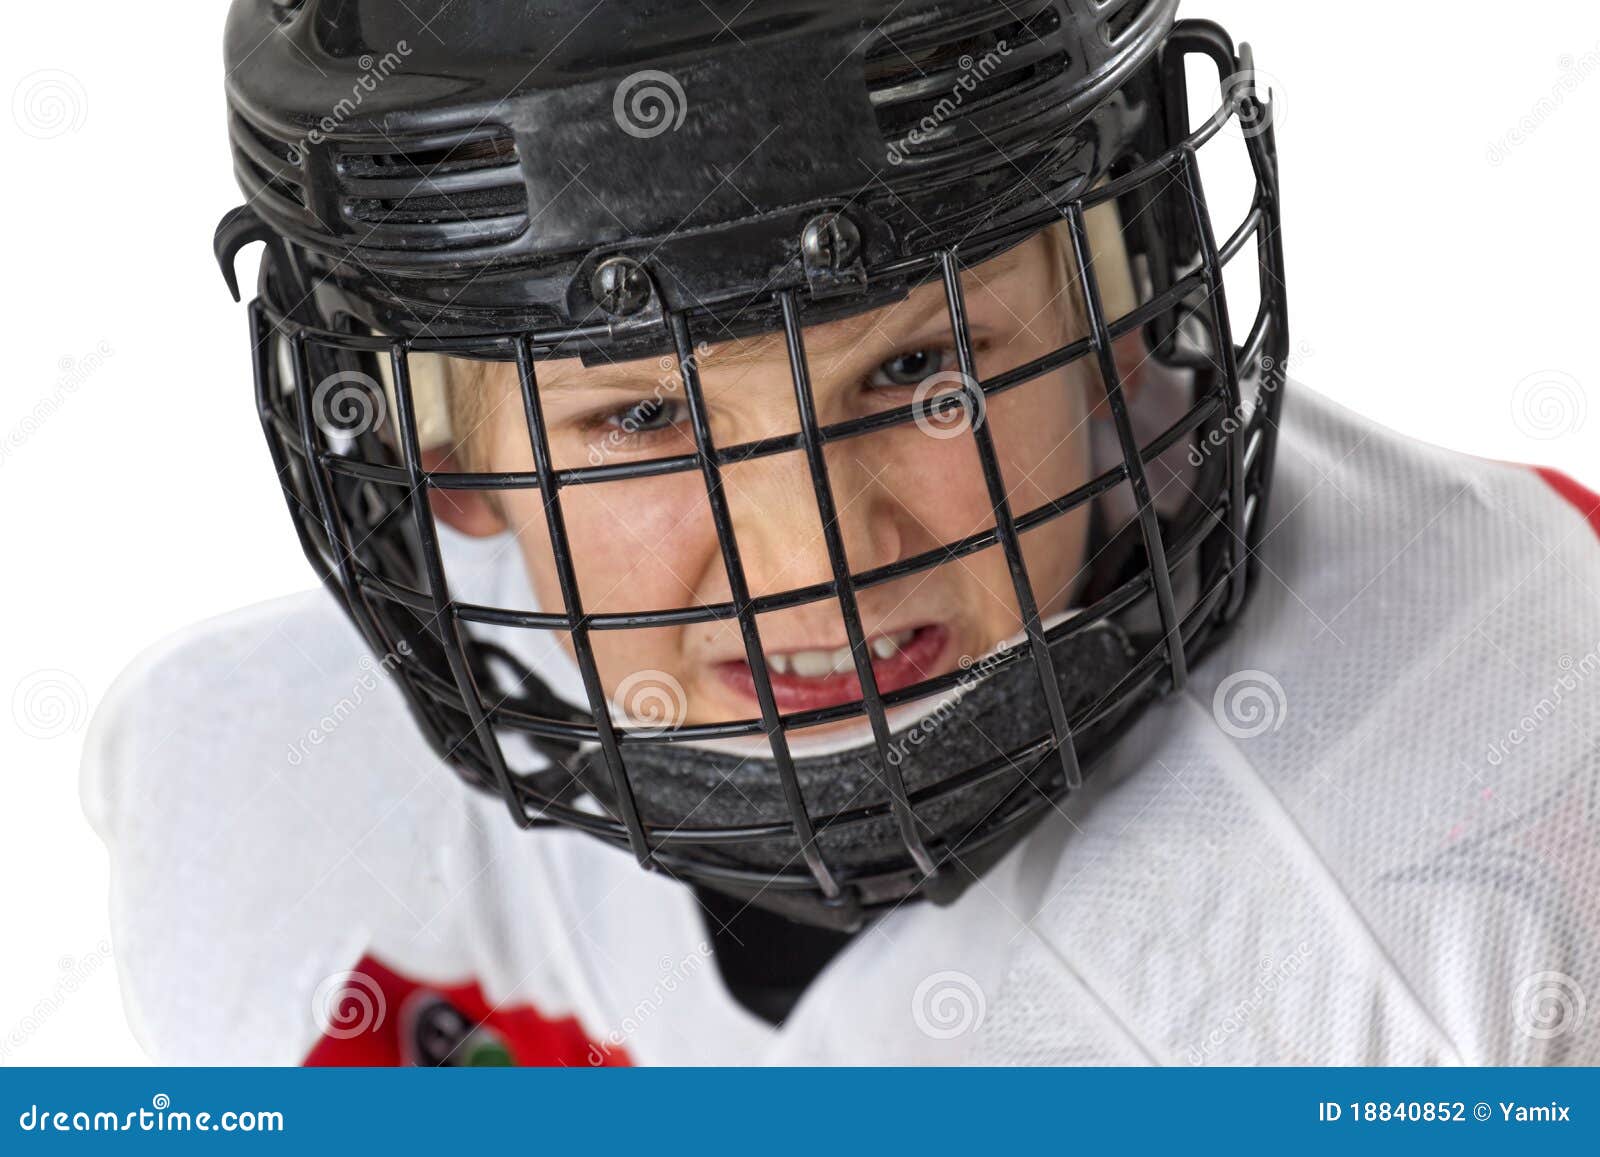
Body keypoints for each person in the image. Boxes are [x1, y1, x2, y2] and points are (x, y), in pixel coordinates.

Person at [83, 0, 1600, 1065]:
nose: (813, 557)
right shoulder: (249, 823)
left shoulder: (1509, 781)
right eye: (645, 420)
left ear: (1120, 309)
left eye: (921, 368)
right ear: (427, 456)